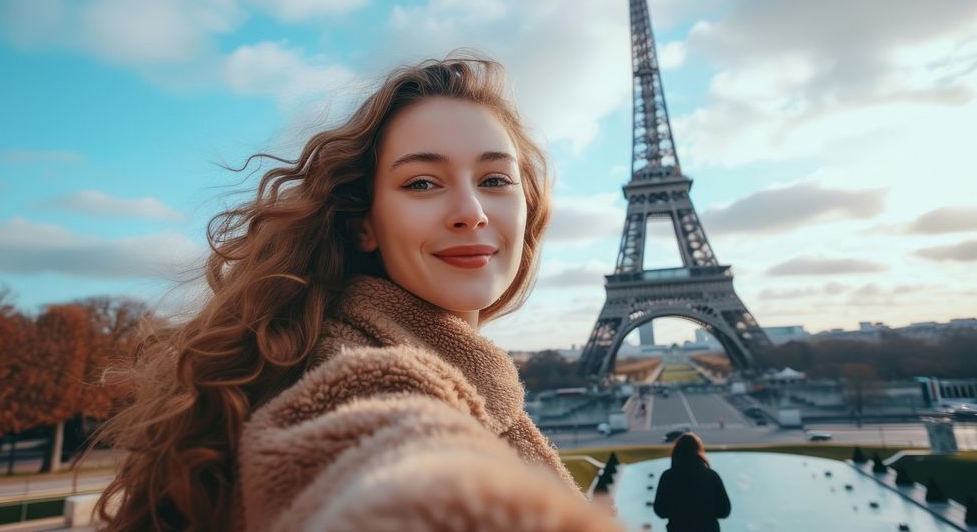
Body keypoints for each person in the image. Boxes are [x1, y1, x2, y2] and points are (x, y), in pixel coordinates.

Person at [88, 57, 624, 531]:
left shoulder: (342, 350)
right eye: (421, 183)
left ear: (528, 206)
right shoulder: (361, 380)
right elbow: (391, 468)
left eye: (495, 180)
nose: (472, 211)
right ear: (364, 223)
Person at [653, 432, 731, 532]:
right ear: (698, 451)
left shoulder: (667, 477)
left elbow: (660, 511)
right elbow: (724, 511)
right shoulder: (711, 476)